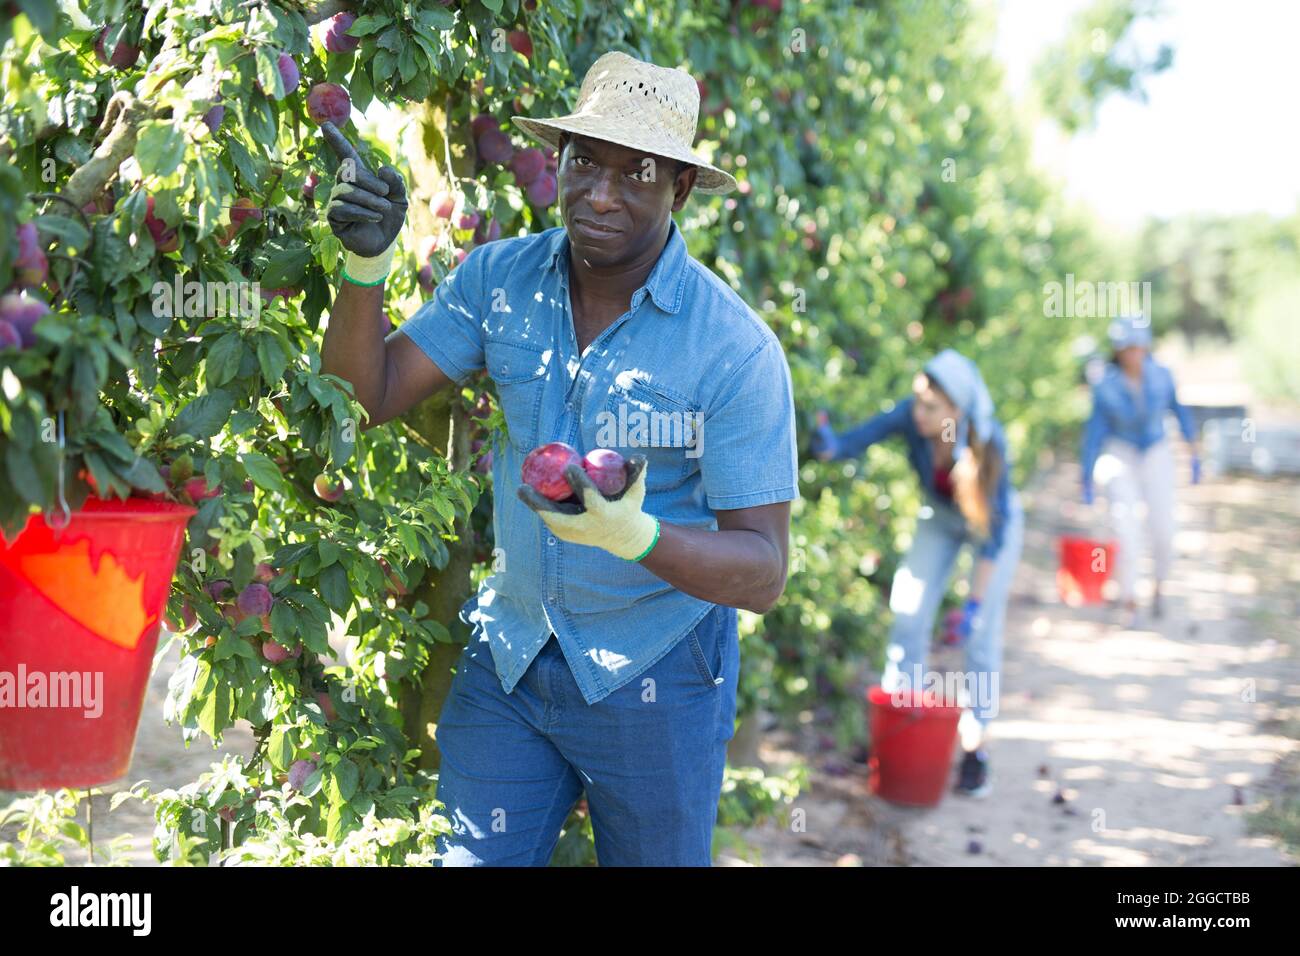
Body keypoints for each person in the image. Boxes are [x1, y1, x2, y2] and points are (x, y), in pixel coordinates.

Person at [318, 51, 799, 865]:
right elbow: (366, 397)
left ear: (680, 188)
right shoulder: (500, 280)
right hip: (511, 655)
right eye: (585, 162)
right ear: (562, 161)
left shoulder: (734, 350)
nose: (601, 193)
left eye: (637, 173)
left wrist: (632, 536)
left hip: (659, 675)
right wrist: (368, 263)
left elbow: (763, 571)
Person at [811, 350, 1024, 798]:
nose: (918, 412)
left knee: (982, 636)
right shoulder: (912, 418)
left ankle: (975, 750)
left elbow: (994, 538)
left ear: (956, 412)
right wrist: (829, 442)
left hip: (988, 524)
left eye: (931, 407)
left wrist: (973, 604)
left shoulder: (988, 446)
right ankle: (899, 726)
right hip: (942, 517)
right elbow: (858, 439)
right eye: (918, 402)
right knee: (907, 610)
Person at [1080, 315, 1200, 628]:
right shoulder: (1105, 385)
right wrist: (1087, 475)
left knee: (1164, 528)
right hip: (1121, 453)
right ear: (1117, 350)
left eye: (1137, 347)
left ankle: (1159, 587)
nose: (1132, 354)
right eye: (1126, 348)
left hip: (1156, 452)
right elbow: (1094, 432)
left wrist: (1193, 451)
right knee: (1124, 525)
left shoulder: (1162, 376)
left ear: (1146, 347)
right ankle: (1128, 599)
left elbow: (1180, 411)